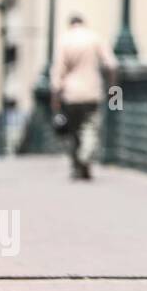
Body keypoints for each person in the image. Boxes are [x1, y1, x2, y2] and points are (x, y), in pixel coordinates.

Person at [50, 13, 117, 181]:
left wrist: (55, 96)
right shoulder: (95, 38)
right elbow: (112, 65)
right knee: (91, 129)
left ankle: (78, 165)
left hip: (70, 93)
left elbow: (58, 70)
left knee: (73, 131)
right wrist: (114, 92)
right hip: (92, 91)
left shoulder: (64, 40)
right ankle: (85, 158)